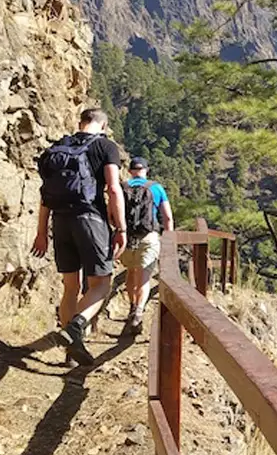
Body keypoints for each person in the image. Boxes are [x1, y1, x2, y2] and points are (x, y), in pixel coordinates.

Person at [31, 108, 126, 366]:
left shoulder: (55, 150)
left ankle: (71, 354)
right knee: (101, 284)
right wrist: (121, 229)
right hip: (90, 219)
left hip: (59, 221)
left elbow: (45, 196)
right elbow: (114, 190)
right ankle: (76, 327)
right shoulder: (106, 147)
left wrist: (42, 233)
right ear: (103, 125)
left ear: (80, 123)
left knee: (70, 287)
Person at [120, 157, 173, 335]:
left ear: (130, 171)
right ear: (146, 170)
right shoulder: (156, 188)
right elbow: (167, 217)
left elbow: (113, 213)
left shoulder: (122, 186)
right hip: (148, 237)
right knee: (144, 278)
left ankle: (132, 306)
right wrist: (168, 239)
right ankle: (139, 312)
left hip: (127, 237)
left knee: (131, 272)